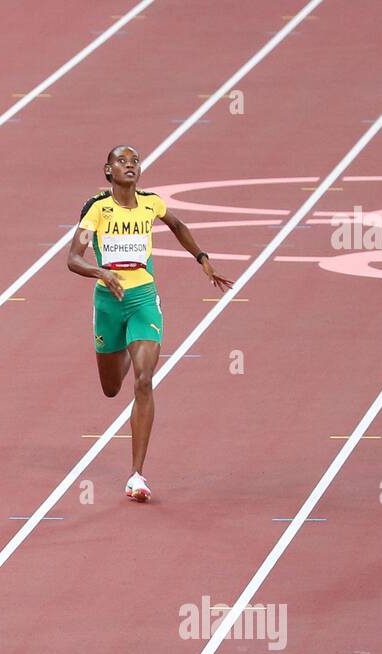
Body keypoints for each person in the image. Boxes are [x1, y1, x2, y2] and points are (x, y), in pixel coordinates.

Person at [66, 145, 232, 501]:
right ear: (108, 170)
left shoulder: (151, 203)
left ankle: (137, 476)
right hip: (108, 303)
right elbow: (72, 259)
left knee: (144, 380)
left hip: (143, 299)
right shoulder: (97, 209)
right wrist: (101, 273)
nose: (130, 165)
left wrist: (202, 258)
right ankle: (124, 344)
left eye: (135, 161)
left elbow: (178, 224)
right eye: (122, 161)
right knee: (111, 388)